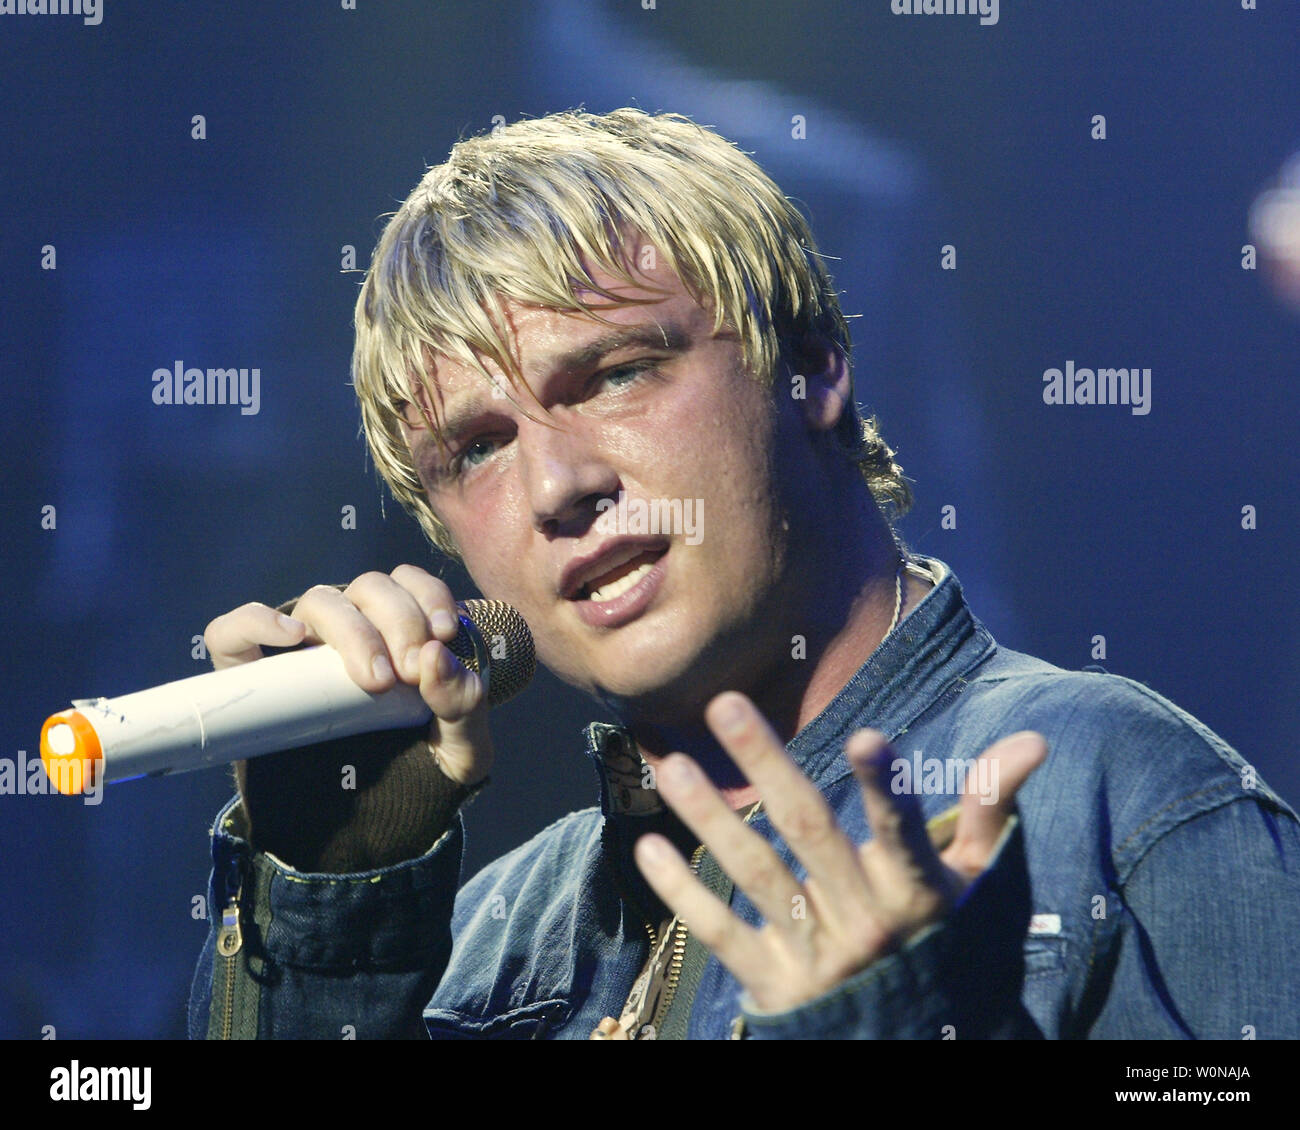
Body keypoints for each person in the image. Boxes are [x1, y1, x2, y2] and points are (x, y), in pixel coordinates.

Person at [189, 108, 1300, 1040]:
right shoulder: (484, 939)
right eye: (476, 448)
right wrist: (326, 918)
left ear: (810, 367)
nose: (554, 486)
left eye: (617, 373)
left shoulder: (1120, 802)